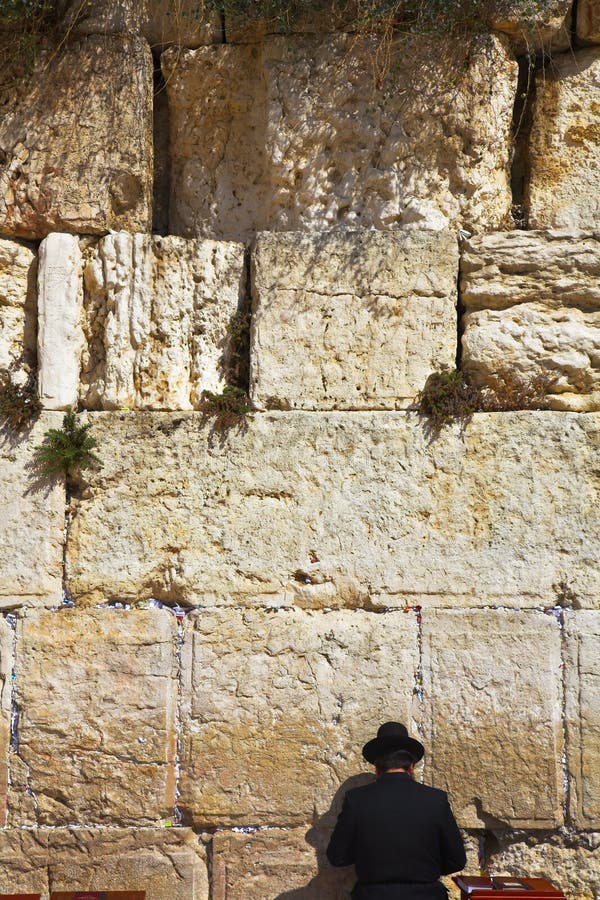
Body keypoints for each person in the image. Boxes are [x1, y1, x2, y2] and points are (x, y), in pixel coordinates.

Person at [327, 722, 466, 900]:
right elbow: (457, 860)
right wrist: (424, 871)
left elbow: (337, 856)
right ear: (411, 767)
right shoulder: (436, 800)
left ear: (377, 768)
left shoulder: (356, 800)